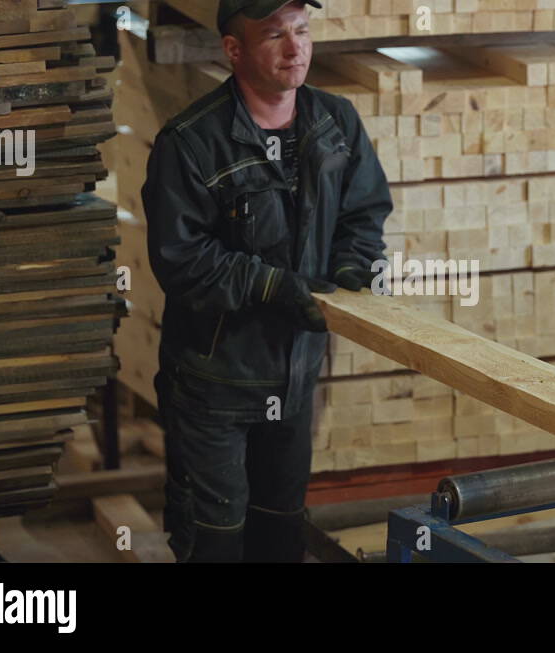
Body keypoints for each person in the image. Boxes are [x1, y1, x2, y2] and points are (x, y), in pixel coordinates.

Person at [140, 0, 392, 562]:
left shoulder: (336, 122)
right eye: (275, 35)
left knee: (280, 533)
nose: (295, 47)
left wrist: (355, 268)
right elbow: (182, 259)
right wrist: (273, 287)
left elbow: (363, 214)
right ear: (234, 50)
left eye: (302, 31)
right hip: (213, 385)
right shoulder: (190, 143)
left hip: (295, 379)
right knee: (216, 540)